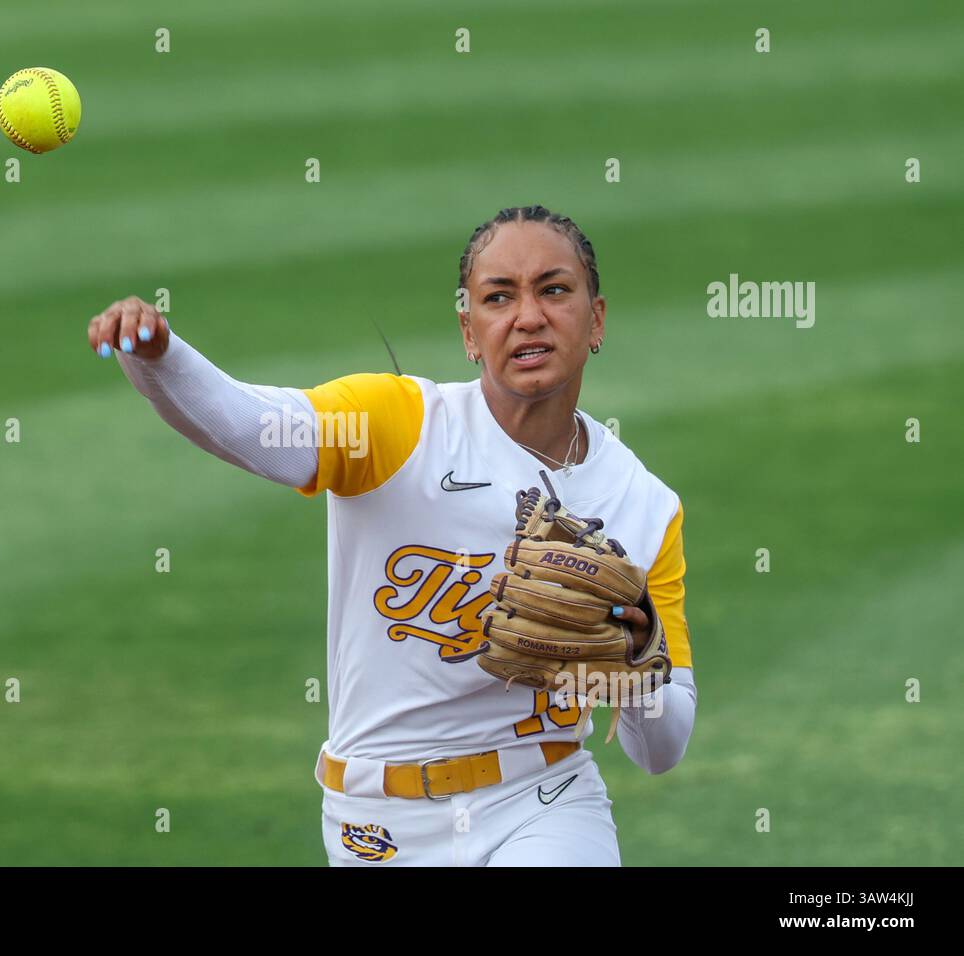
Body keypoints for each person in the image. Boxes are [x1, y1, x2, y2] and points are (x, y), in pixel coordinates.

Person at [88, 205, 696, 866]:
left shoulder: (644, 507)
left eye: (554, 289)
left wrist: (636, 664)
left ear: (596, 319)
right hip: (374, 826)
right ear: (469, 330)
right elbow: (247, 426)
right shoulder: (398, 427)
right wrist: (159, 356)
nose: (528, 316)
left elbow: (660, 752)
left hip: (544, 800)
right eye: (499, 297)